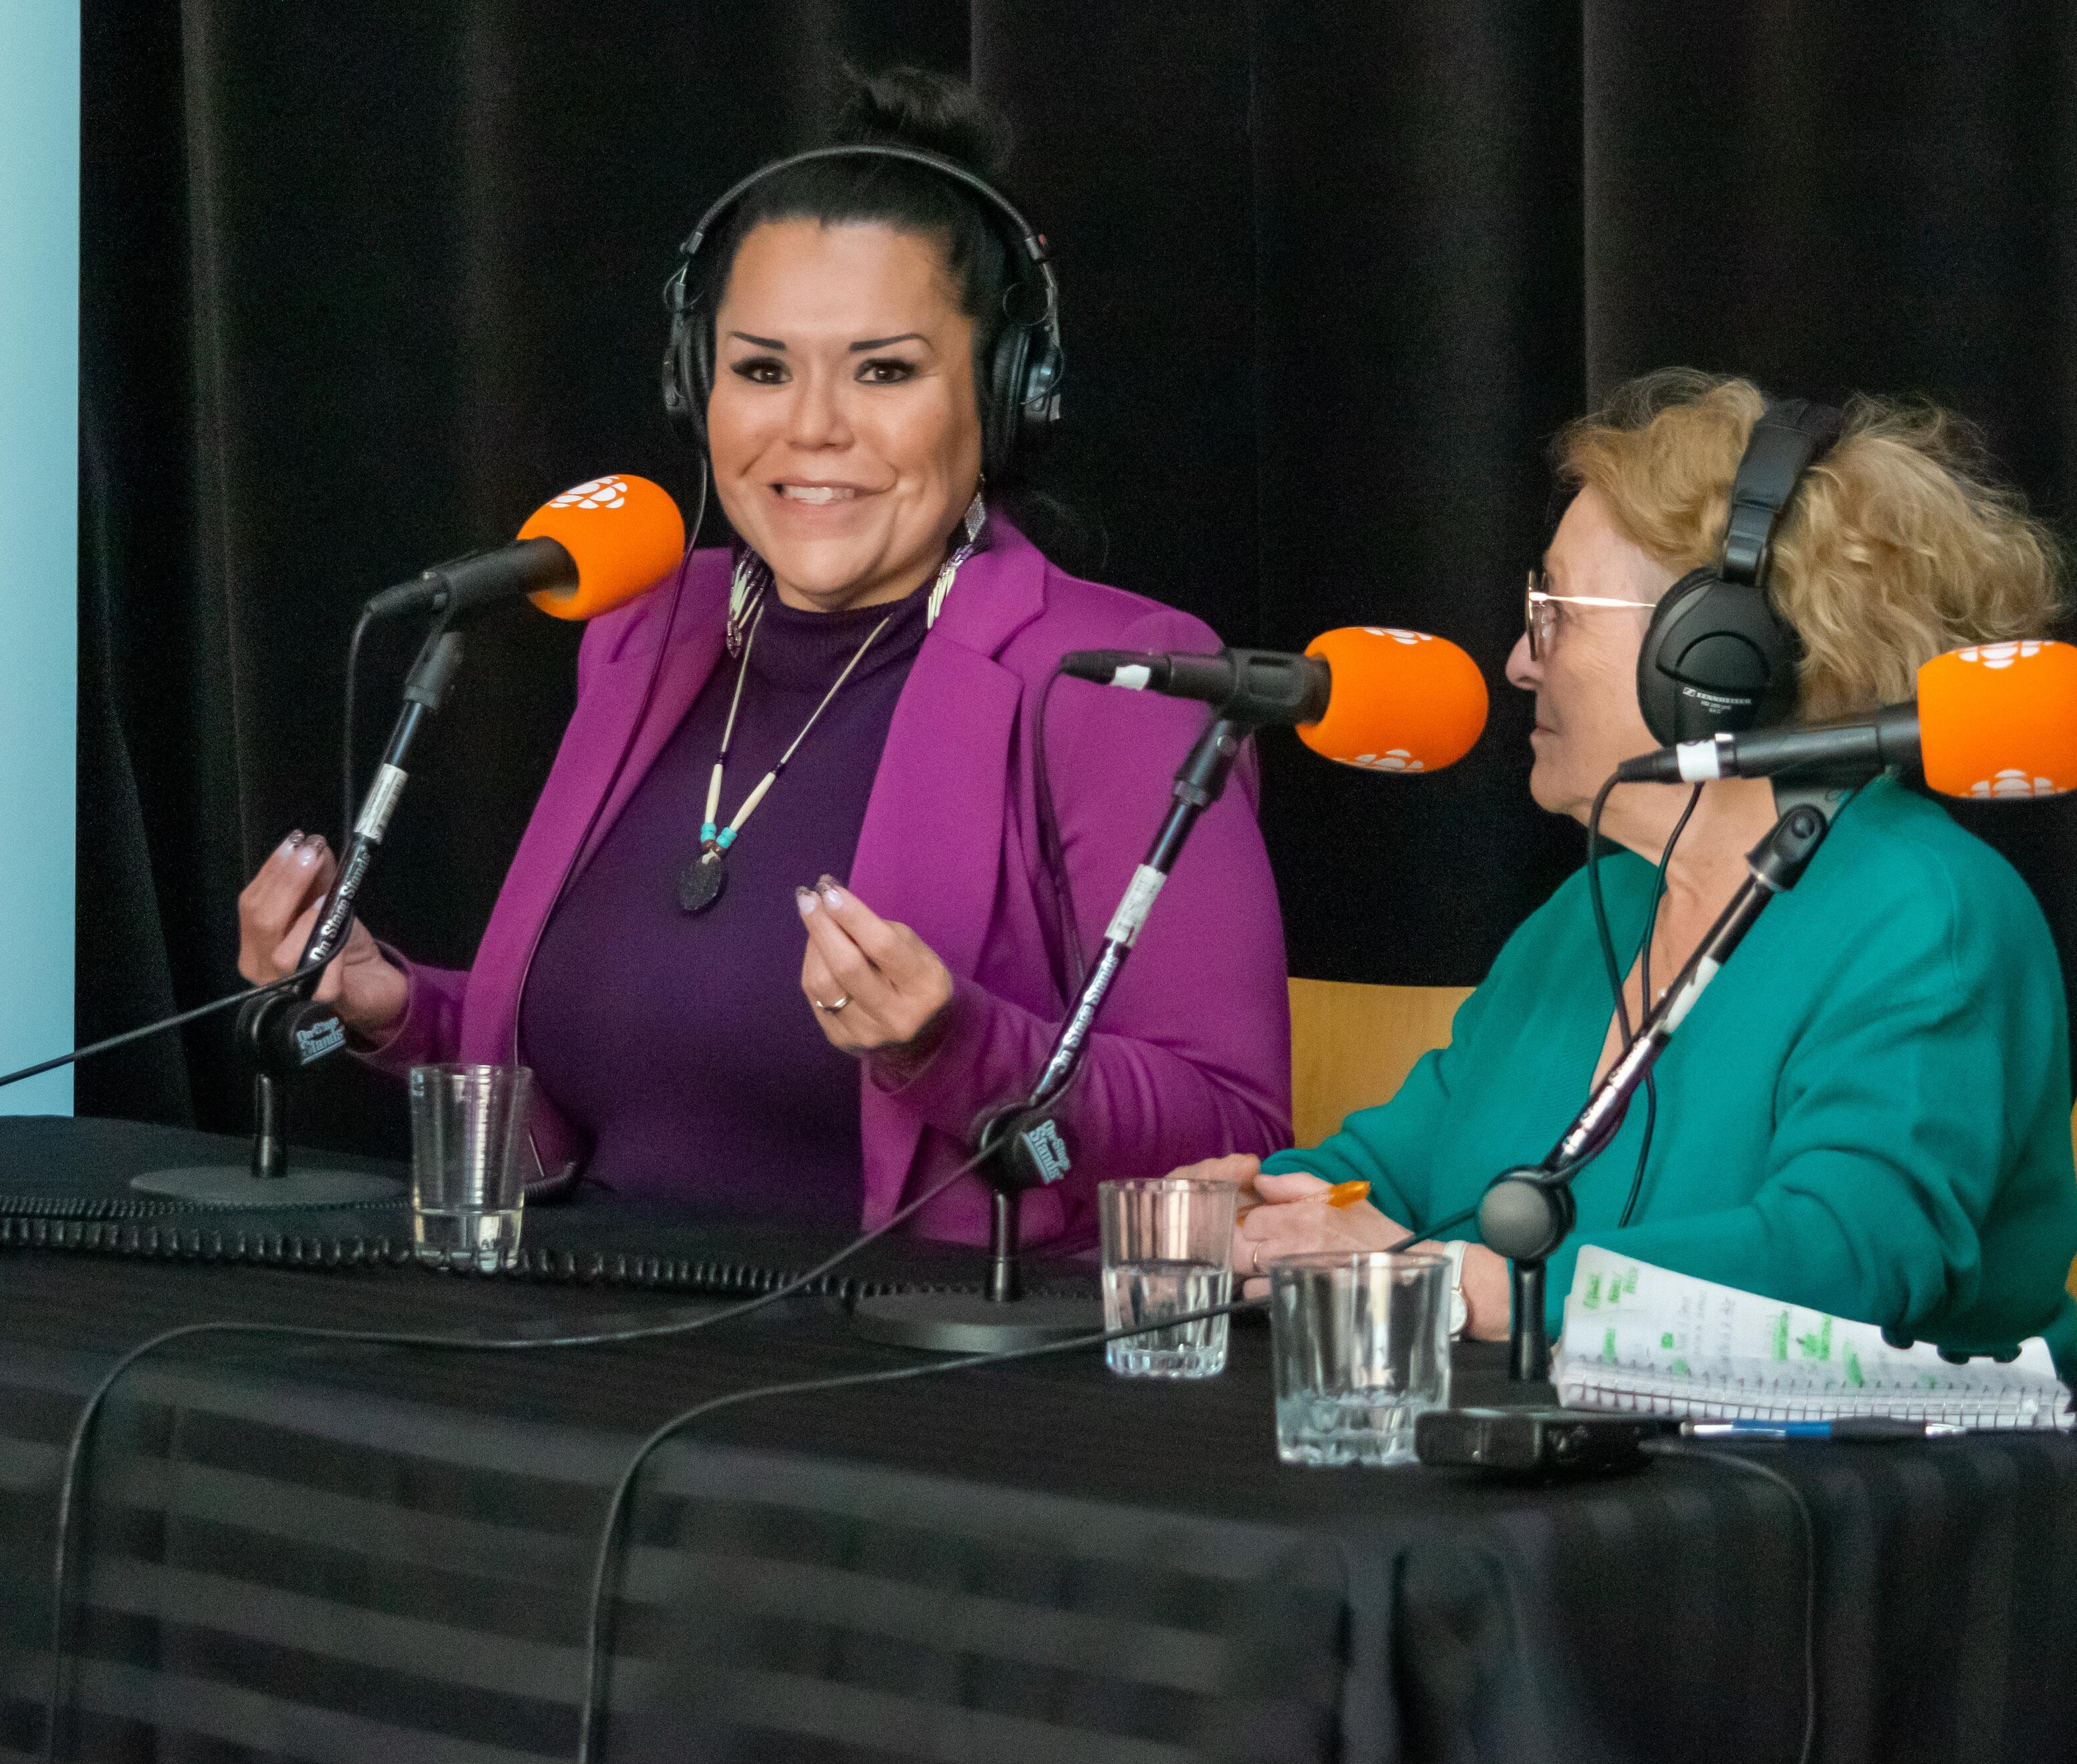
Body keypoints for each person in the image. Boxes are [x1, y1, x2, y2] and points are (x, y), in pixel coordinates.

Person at [232, 70, 1290, 1249]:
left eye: (884, 370)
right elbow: (645, 1057)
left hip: (897, 1386)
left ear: (1003, 396)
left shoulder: (1117, 680)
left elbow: (1233, 1135)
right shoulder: (647, 628)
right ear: (697, 389)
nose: (811, 427)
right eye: (762, 368)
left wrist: (956, 1049)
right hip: (579, 1339)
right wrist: (399, 1010)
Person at [1178, 372, 2077, 1354]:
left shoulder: (1927, 911)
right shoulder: (1590, 912)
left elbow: (1852, 1257)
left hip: (1866, 1498)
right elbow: (1392, 1179)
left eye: (1555, 612)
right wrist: (1262, 1214)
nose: (1521, 662)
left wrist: (1463, 1286)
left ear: (1713, 656)